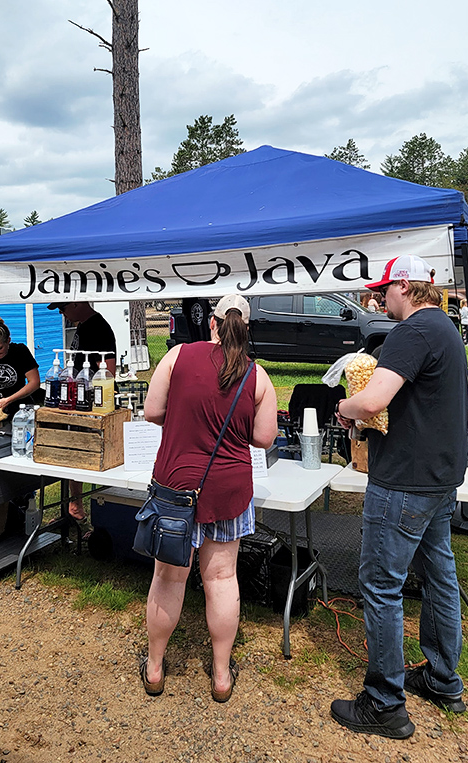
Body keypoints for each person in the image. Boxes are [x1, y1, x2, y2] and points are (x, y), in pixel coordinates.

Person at [332, 255, 468, 740]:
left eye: (384, 289)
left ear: (405, 286)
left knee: (381, 586)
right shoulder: (445, 327)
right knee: (440, 578)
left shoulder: (411, 332)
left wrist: (344, 406)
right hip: (438, 479)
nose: (378, 298)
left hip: (404, 482)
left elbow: (372, 401)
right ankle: (442, 678)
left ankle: (384, 703)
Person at [140, 294, 277, 702]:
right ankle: (220, 676)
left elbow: (151, 411)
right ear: (246, 329)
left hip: (175, 482)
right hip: (228, 489)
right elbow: (264, 437)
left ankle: (154, 668)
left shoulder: (177, 355)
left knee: (168, 577)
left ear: (212, 323)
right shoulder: (257, 375)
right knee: (221, 579)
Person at [48, 301, 117, 520]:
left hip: (91, 403)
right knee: (73, 452)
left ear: (76, 303)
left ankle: (94, 510)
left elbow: (109, 370)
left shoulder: (99, 328)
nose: (62, 314)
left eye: (63, 309)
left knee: (87, 454)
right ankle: (74, 506)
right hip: (76, 399)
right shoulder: (83, 325)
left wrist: (95, 398)